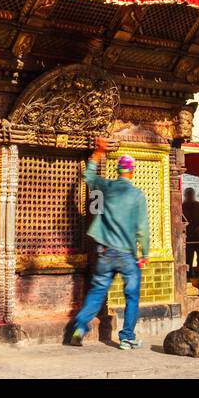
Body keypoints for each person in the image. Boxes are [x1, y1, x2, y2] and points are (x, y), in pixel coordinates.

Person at [70, 138, 150, 350]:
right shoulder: (137, 195)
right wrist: (145, 253)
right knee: (132, 296)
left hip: (105, 253)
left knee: (97, 292)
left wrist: (98, 152)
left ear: (118, 170)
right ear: (131, 172)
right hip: (127, 256)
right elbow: (143, 228)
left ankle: (79, 328)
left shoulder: (106, 187)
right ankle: (126, 337)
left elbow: (88, 176)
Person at [182, 188, 199, 273]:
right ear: (185, 196)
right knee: (188, 259)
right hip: (188, 238)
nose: (189, 197)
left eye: (191, 194)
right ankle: (189, 276)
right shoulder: (181, 207)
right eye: (188, 195)